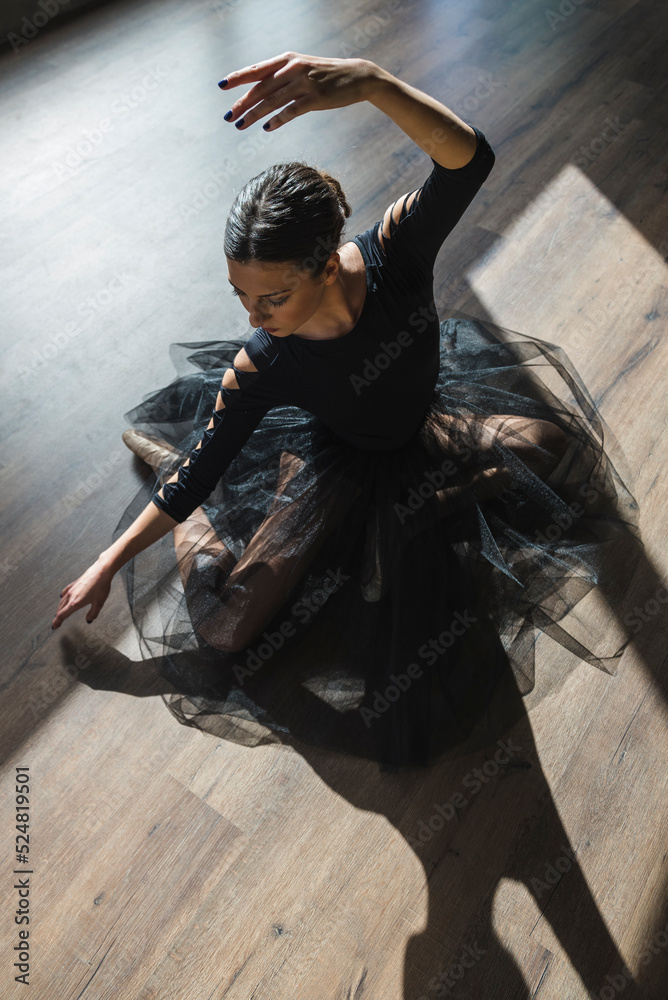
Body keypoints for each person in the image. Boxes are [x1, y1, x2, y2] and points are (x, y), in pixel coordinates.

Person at [52, 53, 644, 772]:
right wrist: (110, 559)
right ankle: (196, 494)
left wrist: (371, 82)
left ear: (328, 265)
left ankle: (429, 502)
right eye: (242, 296)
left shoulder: (395, 256)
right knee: (229, 629)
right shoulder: (265, 360)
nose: (255, 316)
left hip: (424, 422)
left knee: (554, 454)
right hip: (329, 462)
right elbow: (201, 473)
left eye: (272, 299)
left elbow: (469, 162)